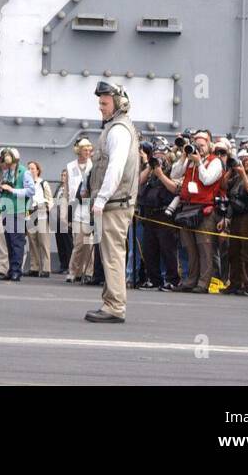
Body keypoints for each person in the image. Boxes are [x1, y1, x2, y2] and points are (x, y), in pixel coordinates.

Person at [84, 81, 139, 323]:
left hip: (115, 204)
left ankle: (115, 306)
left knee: (113, 254)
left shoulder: (118, 130)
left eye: (105, 103)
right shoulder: (117, 128)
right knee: (109, 254)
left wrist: (102, 197)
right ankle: (110, 301)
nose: (101, 107)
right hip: (114, 203)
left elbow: (115, 167)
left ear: (118, 103)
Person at [164, 130, 222, 293]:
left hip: (205, 210)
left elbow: (208, 179)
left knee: (204, 248)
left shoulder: (215, 161)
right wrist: (184, 156)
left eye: (202, 145)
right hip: (187, 207)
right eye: (197, 145)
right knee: (189, 247)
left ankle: (203, 283)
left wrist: (199, 163)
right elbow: (175, 174)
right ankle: (190, 280)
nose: (199, 148)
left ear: (209, 145)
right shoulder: (190, 160)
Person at [137, 138, 180, 290]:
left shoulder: (173, 169)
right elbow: (138, 182)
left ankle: (172, 280)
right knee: (149, 249)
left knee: (168, 249)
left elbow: (175, 189)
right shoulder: (150, 170)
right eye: (157, 155)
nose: (159, 158)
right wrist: (150, 167)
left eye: (162, 154)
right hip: (149, 214)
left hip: (165, 214)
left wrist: (161, 174)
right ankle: (154, 280)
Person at [221, 147, 248, 294]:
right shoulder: (236, 176)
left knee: (247, 251)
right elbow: (224, 187)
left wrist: (242, 174)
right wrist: (231, 169)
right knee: (233, 251)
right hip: (236, 216)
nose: (245, 162)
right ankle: (235, 283)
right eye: (242, 159)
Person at [0, 147, 32, 281]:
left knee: (17, 242)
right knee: (9, 242)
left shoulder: (23, 172)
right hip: (7, 210)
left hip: (18, 210)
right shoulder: (8, 173)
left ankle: (16, 271)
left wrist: (13, 190)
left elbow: (31, 191)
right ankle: (11, 269)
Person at [66, 138, 95, 282]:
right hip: (76, 207)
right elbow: (67, 191)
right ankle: (74, 270)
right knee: (78, 243)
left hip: (90, 207)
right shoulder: (70, 166)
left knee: (89, 244)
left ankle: (88, 272)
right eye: (85, 150)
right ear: (78, 151)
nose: (88, 153)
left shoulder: (94, 166)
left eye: (90, 150)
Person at [24, 160, 52, 276]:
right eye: (29, 168)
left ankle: (46, 268)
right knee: (32, 240)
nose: (30, 171)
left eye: (33, 168)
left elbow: (49, 198)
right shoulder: (25, 184)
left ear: (38, 170)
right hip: (30, 212)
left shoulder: (42, 183)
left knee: (43, 241)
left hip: (40, 210)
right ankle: (34, 267)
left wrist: (47, 210)